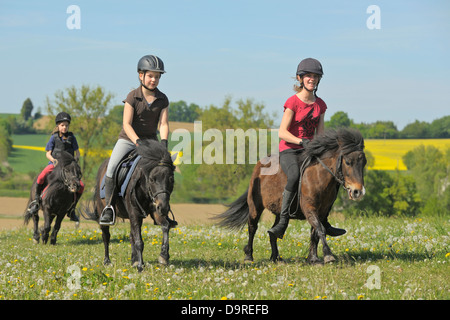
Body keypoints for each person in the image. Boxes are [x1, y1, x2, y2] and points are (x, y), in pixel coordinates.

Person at [267, 58, 346, 239]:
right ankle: (282, 222)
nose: (312, 79)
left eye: (315, 76)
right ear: (300, 78)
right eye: (308, 76)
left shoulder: (321, 105)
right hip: (289, 150)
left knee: (333, 176)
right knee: (294, 175)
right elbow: (282, 132)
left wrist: (324, 148)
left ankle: (324, 221)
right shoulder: (292, 102)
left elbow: (320, 133)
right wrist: (301, 141)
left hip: (310, 150)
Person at [99, 54, 174, 225]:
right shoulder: (132, 96)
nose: (153, 80)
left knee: (163, 170)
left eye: (157, 76)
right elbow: (126, 124)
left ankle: (162, 209)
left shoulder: (163, 99)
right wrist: (137, 142)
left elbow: (163, 123)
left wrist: (163, 143)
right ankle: (109, 208)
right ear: (141, 75)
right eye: (150, 76)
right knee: (111, 168)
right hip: (128, 139)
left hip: (151, 142)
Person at [26, 112, 84, 222]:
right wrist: (53, 160)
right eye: (62, 125)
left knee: (81, 185)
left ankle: (72, 209)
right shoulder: (53, 138)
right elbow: (48, 153)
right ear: (58, 126)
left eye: (66, 125)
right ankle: (36, 202)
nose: (65, 127)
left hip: (68, 167)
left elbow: (77, 152)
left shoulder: (72, 138)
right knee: (41, 177)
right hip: (55, 165)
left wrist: (75, 160)